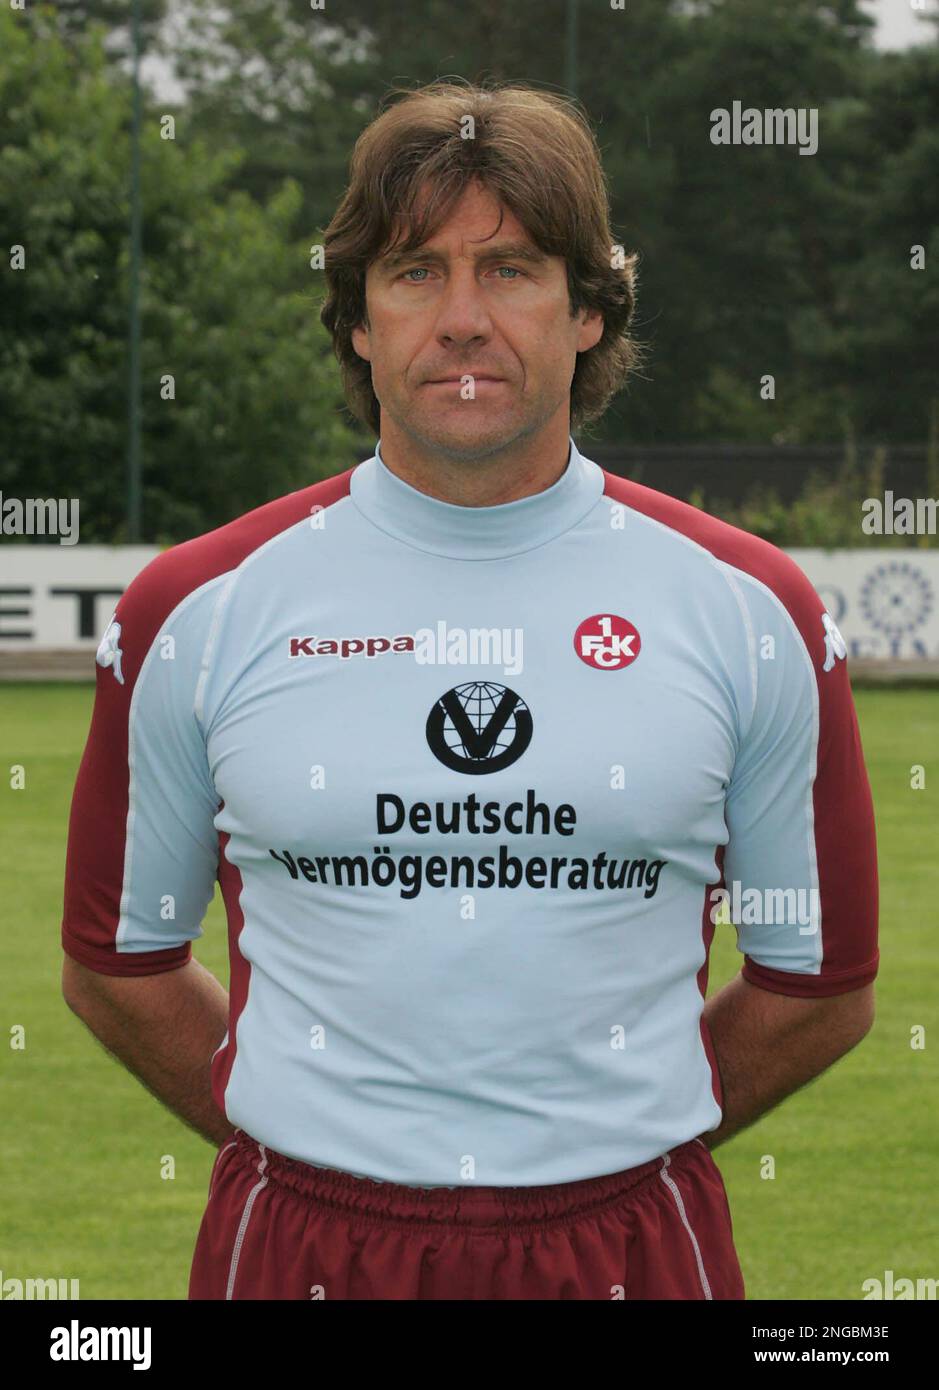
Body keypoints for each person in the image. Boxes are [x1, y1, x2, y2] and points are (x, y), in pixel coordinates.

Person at [61, 79, 878, 1301]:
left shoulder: (752, 611)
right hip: (303, 1242)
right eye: (411, 273)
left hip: (627, 1242)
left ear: (590, 310)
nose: (461, 319)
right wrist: (319, 1131)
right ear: (356, 320)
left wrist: (605, 1143)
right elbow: (117, 967)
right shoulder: (195, 607)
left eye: (511, 269)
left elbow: (817, 989)